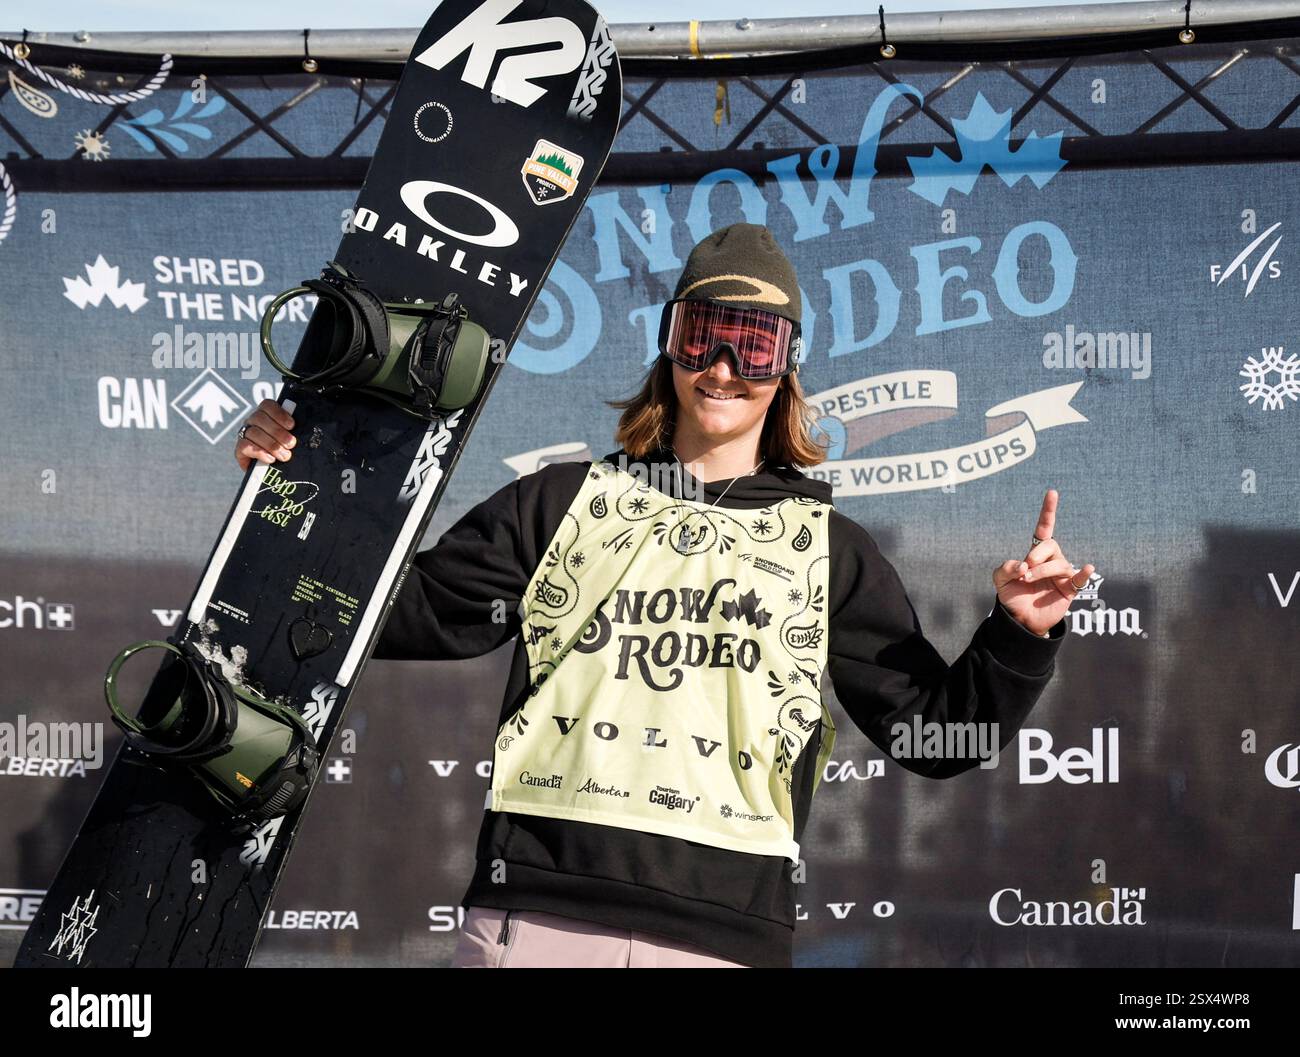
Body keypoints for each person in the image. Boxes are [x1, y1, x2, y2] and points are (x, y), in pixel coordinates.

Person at [234, 223, 1094, 968]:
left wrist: (1018, 633)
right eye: (703, 335)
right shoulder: (564, 501)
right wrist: (291, 489)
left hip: (723, 937)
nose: (723, 368)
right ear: (670, 345)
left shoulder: (828, 548)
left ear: (789, 364)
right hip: (536, 913)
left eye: (754, 344)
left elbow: (934, 732)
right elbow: (394, 607)